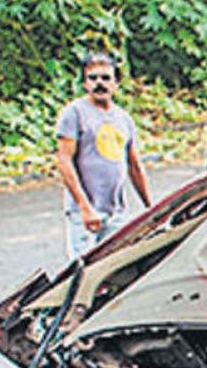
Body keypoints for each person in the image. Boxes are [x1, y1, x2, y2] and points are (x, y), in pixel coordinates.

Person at [56, 52, 151, 260]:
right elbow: (64, 161)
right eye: (93, 78)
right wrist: (84, 207)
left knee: (113, 269)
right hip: (87, 212)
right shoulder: (74, 113)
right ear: (85, 83)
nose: (99, 83)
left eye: (106, 78)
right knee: (84, 270)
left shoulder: (123, 118)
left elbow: (134, 166)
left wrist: (150, 207)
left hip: (115, 210)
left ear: (116, 83)